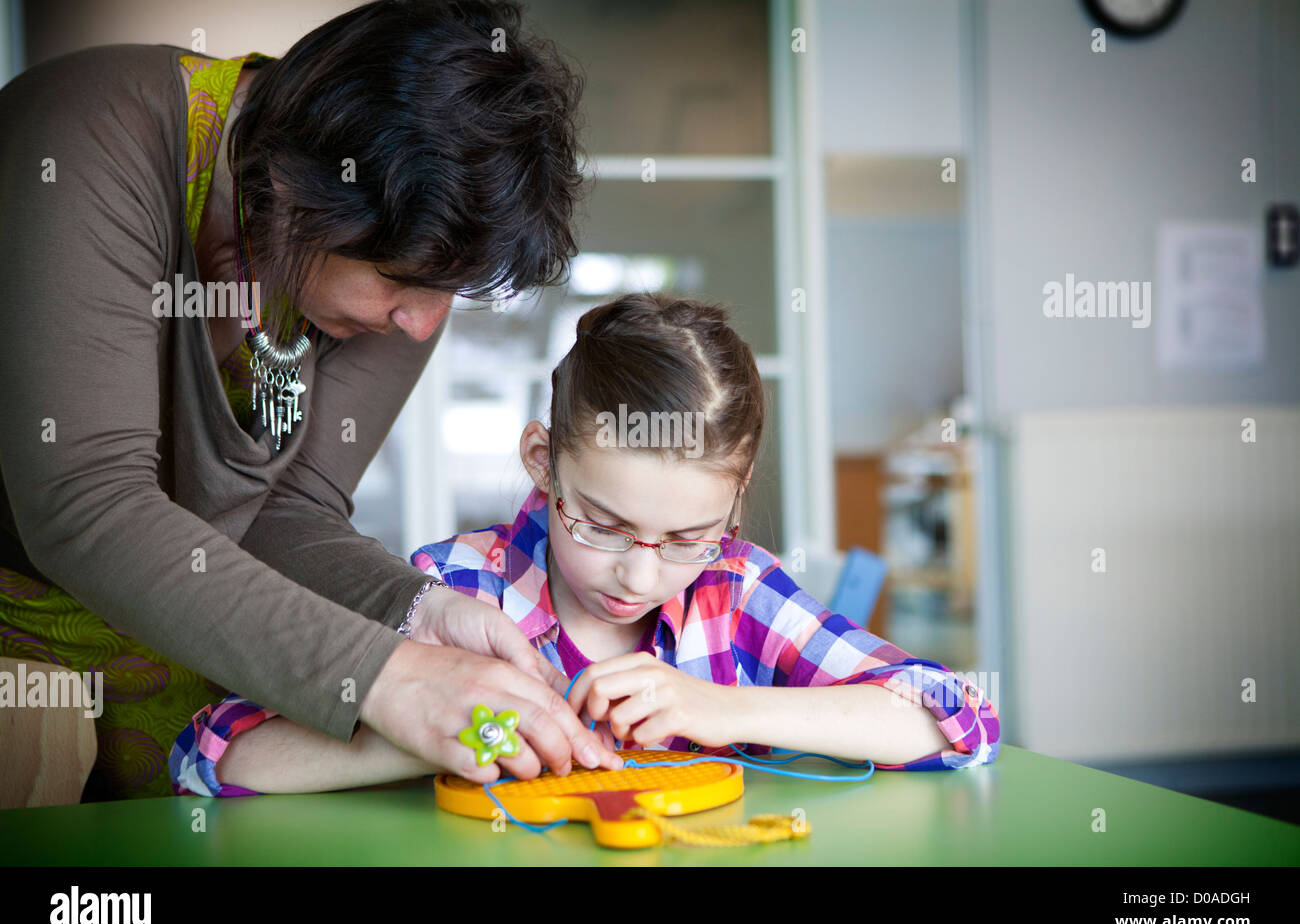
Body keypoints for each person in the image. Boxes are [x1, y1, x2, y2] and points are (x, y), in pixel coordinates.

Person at [0, 0, 621, 803]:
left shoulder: (402, 265)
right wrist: (385, 675)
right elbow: (87, 505)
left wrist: (415, 610)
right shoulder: (91, 133)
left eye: (451, 293)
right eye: (403, 282)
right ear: (298, 187)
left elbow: (286, 512)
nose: (421, 324)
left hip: (172, 633)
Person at [170, 293, 1001, 797]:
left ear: (735, 501)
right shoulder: (456, 588)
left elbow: (958, 719)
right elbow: (216, 754)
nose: (640, 574)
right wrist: (438, 729)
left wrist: (722, 708)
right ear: (544, 463)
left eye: (687, 537)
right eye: (601, 524)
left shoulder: (739, 593)